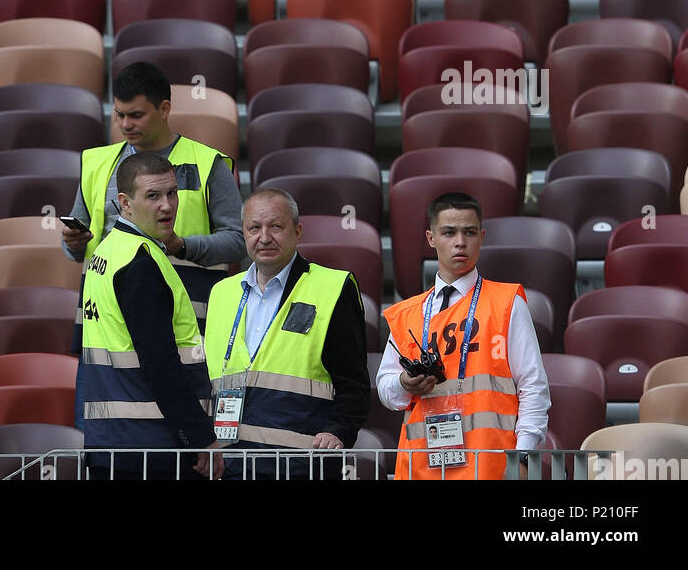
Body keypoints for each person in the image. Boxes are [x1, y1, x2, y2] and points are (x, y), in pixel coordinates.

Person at [378, 191, 550, 481]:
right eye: (449, 232)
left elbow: (533, 386)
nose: (460, 242)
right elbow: (387, 391)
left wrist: (522, 456)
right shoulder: (407, 313)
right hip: (421, 466)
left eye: (469, 232)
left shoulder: (506, 302)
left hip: (491, 465)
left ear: (481, 236)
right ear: (431, 238)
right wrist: (404, 383)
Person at [62, 60, 245, 327]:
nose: (125, 124)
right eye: (119, 115)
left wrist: (182, 246)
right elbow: (78, 244)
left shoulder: (208, 164)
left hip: (184, 311)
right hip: (106, 313)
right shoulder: (96, 164)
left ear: (164, 109)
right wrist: (73, 243)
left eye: (136, 115)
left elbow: (238, 242)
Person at [205, 187, 370, 480]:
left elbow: (353, 380)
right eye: (254, 227)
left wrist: (339, 431)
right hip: (232, 465)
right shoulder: (221, 293)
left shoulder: (332, 288)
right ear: (243, 233)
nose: (264, 237)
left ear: (298, 231)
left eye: (276, 226)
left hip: (302, 463)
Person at [79, 150, 222, 481]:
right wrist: (198, 437)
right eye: (153, 196)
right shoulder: (140, 263)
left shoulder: (107, 251)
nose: (167, 205)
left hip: (112, 442)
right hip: (152, 447)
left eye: (172, 193)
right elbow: (161, 365)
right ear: (125, 203)